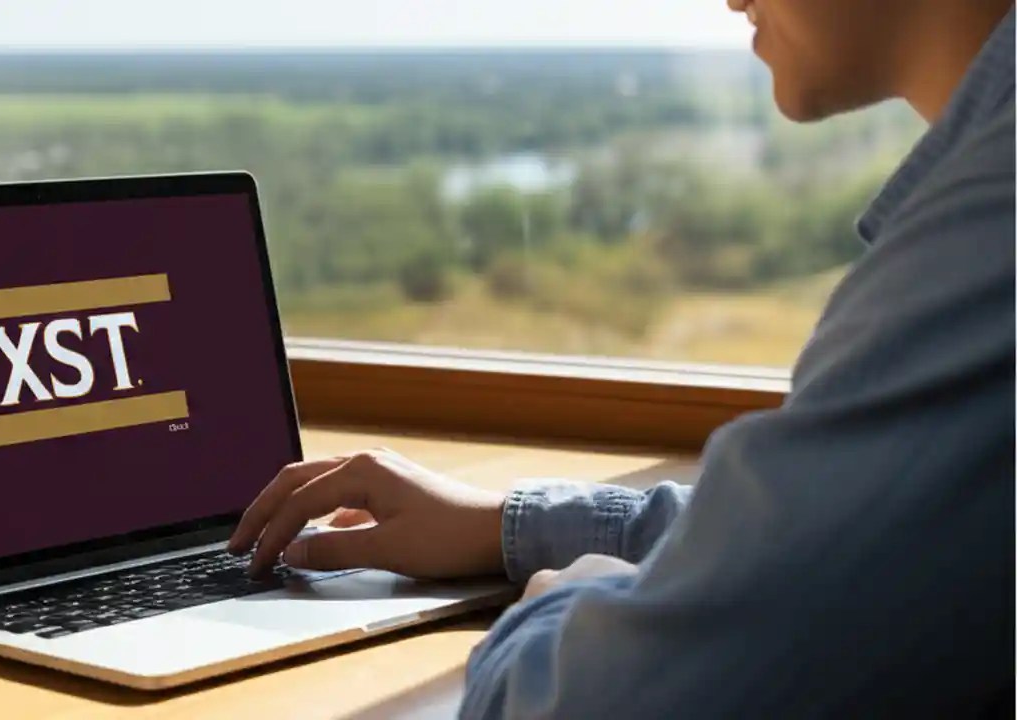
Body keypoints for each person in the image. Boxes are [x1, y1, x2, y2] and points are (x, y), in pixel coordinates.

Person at [228, 0, 1016, 716]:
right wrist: (506, 526)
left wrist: (572, 595)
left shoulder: (989, 236)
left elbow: (588, 702)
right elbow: (848, 514)